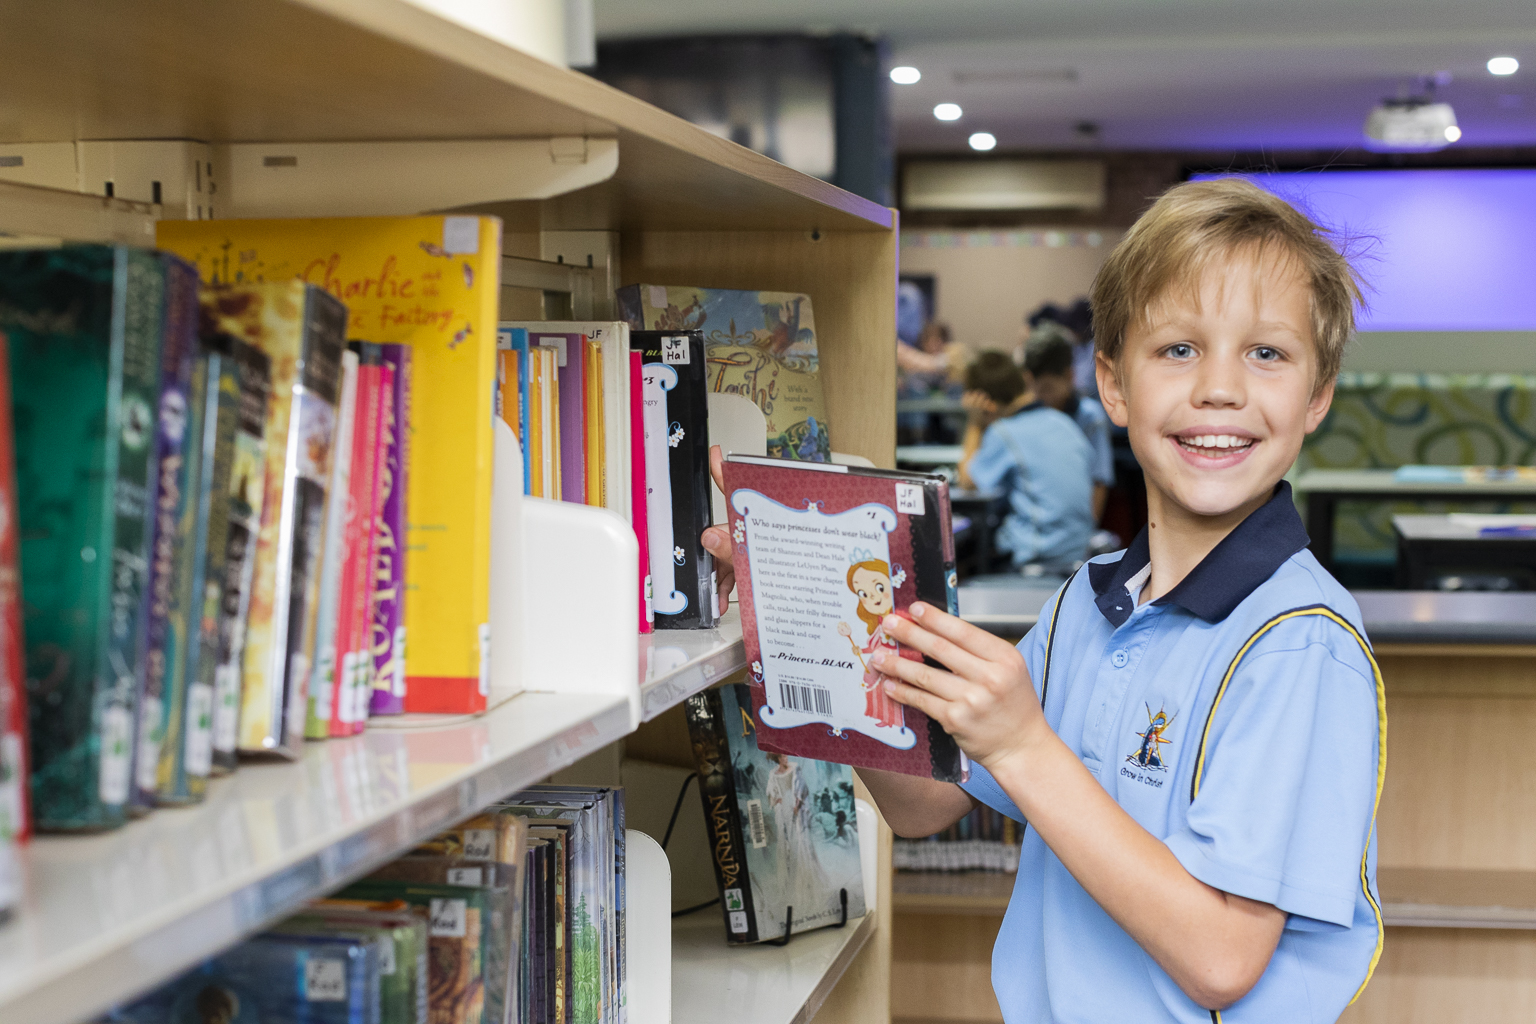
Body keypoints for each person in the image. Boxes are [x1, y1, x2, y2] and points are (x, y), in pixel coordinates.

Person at [702, 176, 1383, 1022]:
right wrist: (800, 610)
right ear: (1113, 384)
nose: (1220, 388)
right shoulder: (1086, 604)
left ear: (1317, 395)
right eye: (1179, 349)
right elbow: (925, 803)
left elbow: (1221, 958)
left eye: (1267, 353)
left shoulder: (1299, 642)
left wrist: (1024, 744)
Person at [956, 351, 1094, 574]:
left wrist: (974, 423)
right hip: (1077, 554)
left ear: (986, 403)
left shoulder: (1004, 432)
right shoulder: (1064, 422)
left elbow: (967, 482)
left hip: (1038, 558)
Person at [1023, 331, 1116, 523]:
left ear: (1069, 376)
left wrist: (1088, 528)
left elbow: (1099, 481)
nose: (1042, 397)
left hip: (1075, 522)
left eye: (1048, 388)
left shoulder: (1090, 417)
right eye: (1037, 389)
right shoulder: (1028, 415)